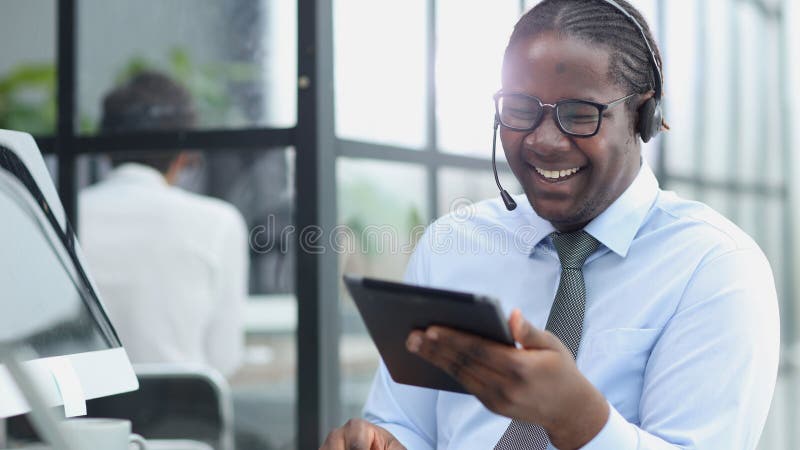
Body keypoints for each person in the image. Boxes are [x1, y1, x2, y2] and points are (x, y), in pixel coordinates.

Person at [322, 1, 779, 449]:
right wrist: (379, 442)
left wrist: (581, 422)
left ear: (644, 117)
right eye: (520, 108)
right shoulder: (453, 244)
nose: (543, 141)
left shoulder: (715, 269)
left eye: (580, 114)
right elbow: (406, 423)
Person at [79, 71, 249, 377]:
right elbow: (224, 359)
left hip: (76, 420)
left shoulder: (62, 213)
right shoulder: (219, 223)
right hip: (186, 419)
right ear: (185, 154)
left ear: (103, 147)